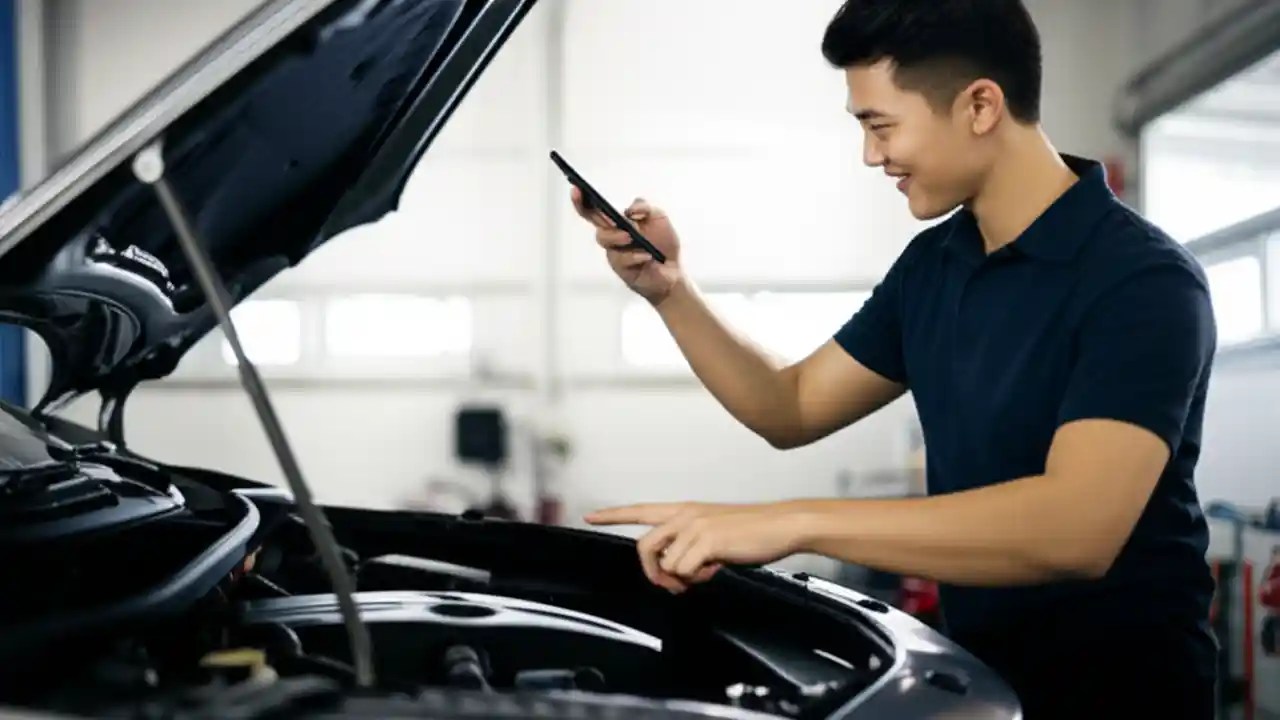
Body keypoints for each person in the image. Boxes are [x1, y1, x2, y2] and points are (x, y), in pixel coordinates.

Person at [569, 1, 1219, 717]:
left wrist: (793, 522)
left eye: (880, 125)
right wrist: (672, 292)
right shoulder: (934, 266)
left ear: (979, 105)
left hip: (1127, 699)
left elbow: (1076, 527)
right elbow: (791, 405)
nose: (872, 156)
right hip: (984, 686)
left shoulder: (1142, 280)